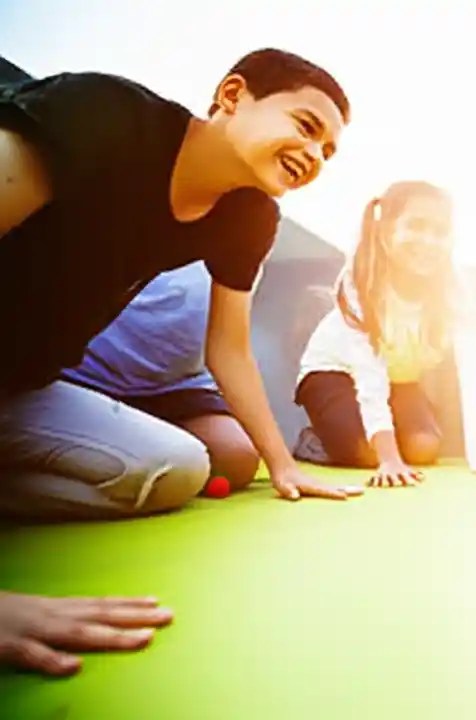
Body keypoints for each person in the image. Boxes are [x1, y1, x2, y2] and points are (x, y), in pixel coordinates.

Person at [0, 48, 358, 675]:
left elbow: (229, 348)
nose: (316, 156)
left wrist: (283, 466)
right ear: (231, 95)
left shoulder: (250, 215)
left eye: (329, 150)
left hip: (22, 387)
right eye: (306, 126)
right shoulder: (105, 116)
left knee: (179, 467)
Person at [292, 181, 476, 486]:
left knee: (423, 448)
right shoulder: (360, 282)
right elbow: (369, 372)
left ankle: (371, 437)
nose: (428, 240)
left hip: (397, 378)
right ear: (386, 231)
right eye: (416, 226)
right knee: (368, 453)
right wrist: (388, 458)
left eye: (439, 231)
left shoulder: (453, 288)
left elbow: (471, 370)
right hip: (332, 372)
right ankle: (315, 442)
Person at [61, 262, 261, 493]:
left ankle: (159, 454)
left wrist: (282, 464)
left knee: (237, 459)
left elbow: (232, 349)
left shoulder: (238, 252)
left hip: (177, 385)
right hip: (89, 377)